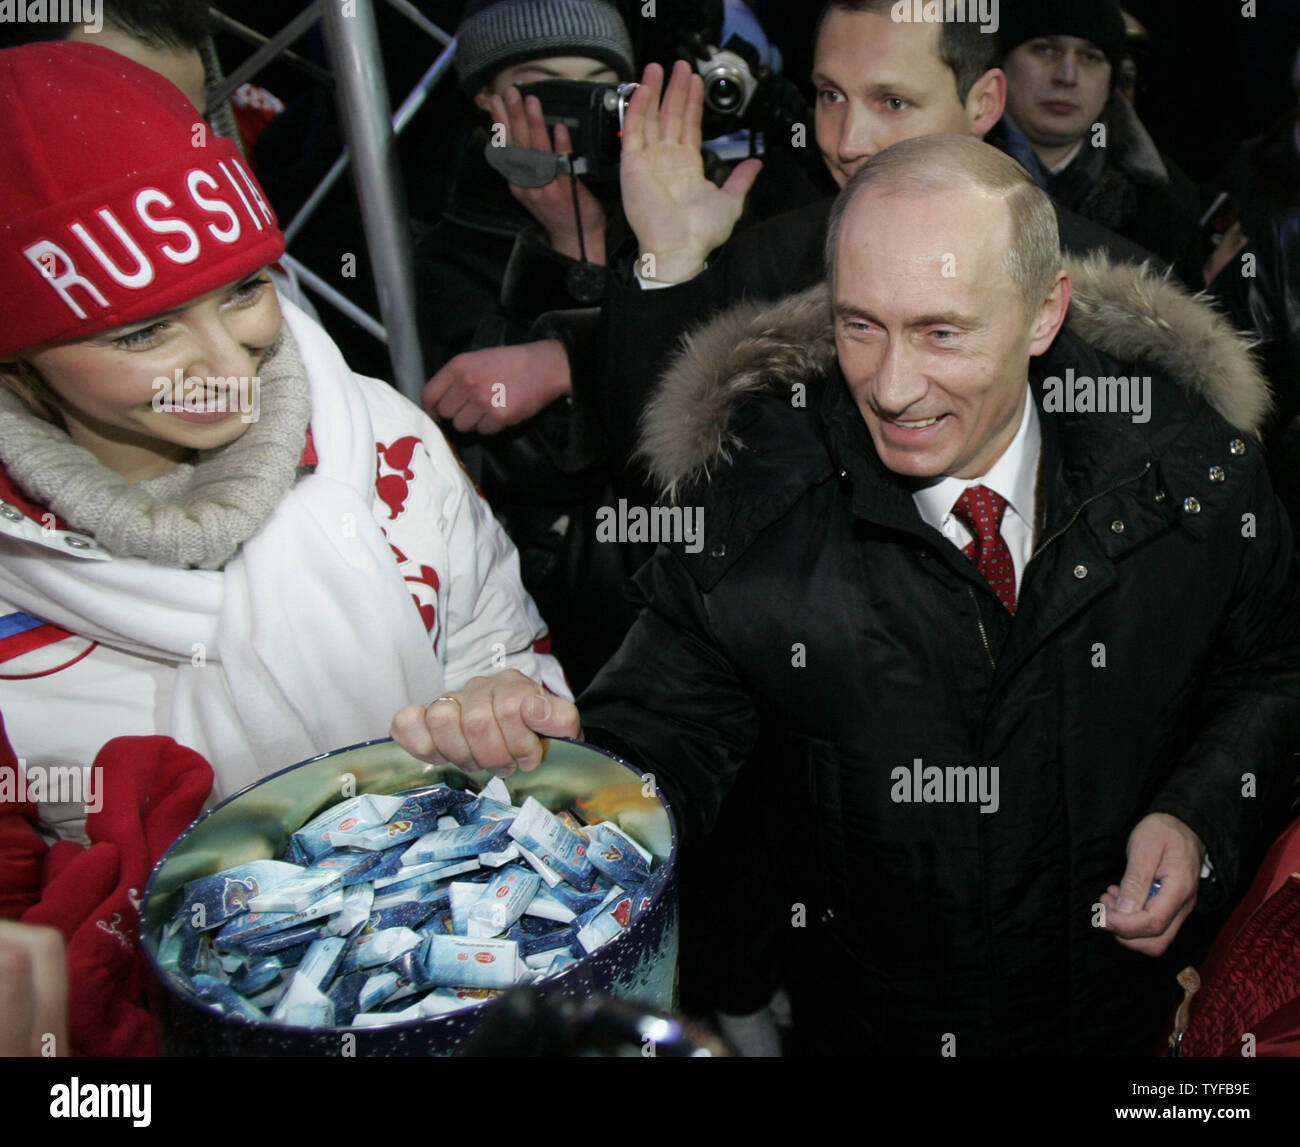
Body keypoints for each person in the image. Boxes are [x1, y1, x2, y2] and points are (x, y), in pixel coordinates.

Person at [393, 134, 1300, 1056]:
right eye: (861, 326)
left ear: (1043, 312)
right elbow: (653, 744)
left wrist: (1200, 811)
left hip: (1137, 1030)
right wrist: (545, 760)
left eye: (942, 333)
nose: (893, 388)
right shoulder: (756, 506)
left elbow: (1275, 665)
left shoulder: (1184, 466)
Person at [0, 41, 568, 843]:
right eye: (144, 332)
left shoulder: (383, 434)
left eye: (243, 291)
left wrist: (504, 713)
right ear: (17, 354)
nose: (231, 371)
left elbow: (509, 657)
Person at [996, 0, 1203, 287]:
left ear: (1110, 82)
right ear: (1001, 65)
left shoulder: (1164, 200)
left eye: (1090, 57)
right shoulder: (950, 175)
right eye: (1044, 49)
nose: (1067, 76)